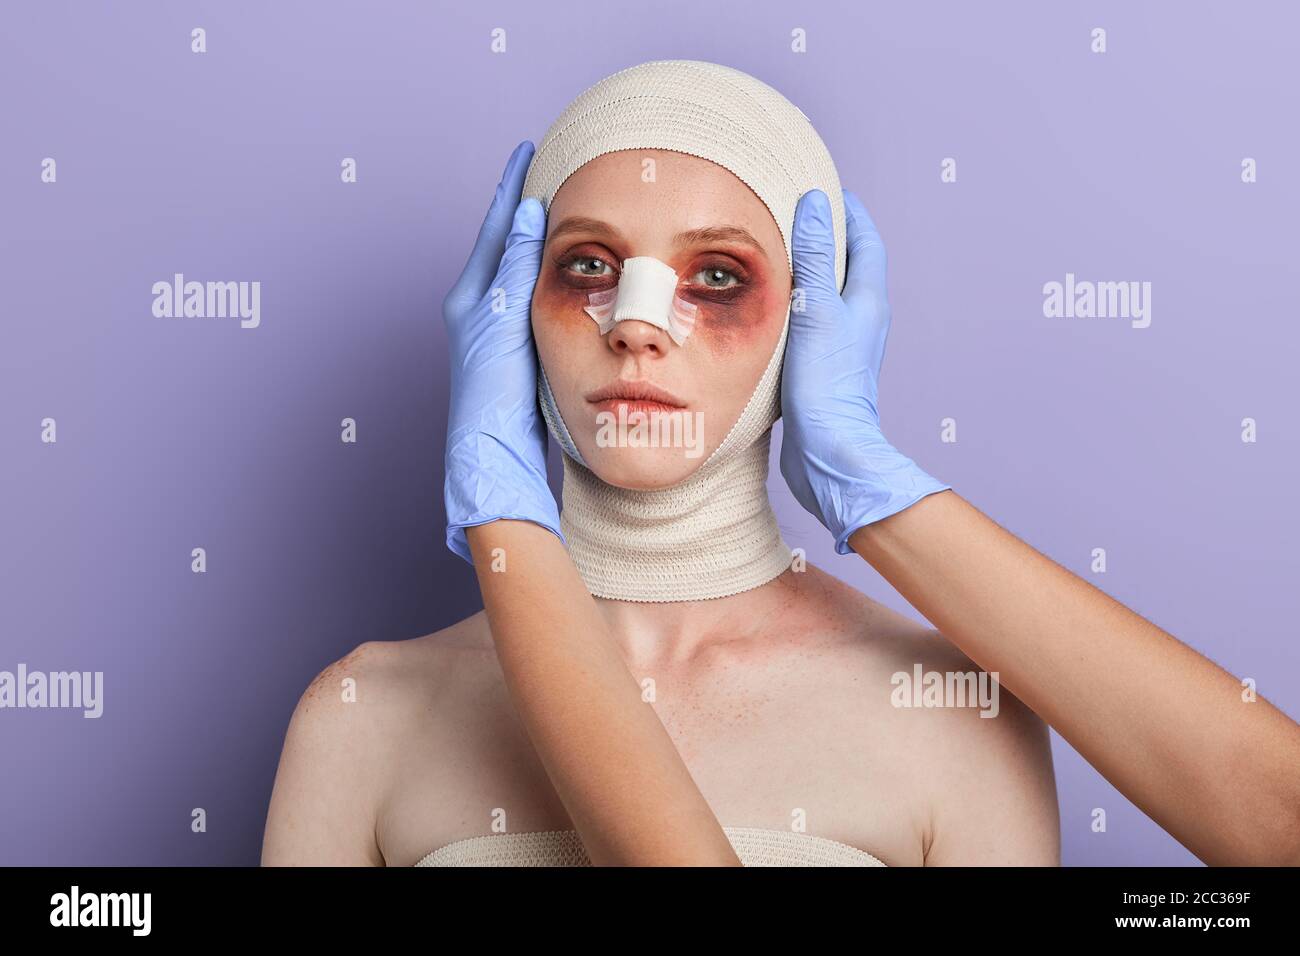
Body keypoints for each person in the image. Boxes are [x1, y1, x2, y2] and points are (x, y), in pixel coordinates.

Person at [262, 60, 1299, 867]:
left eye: (715, 274)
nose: (638, 327)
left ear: (809, 323)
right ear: (512, 308)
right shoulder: (364, 712)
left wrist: (506, 520)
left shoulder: (949, 709)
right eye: (586, 265)